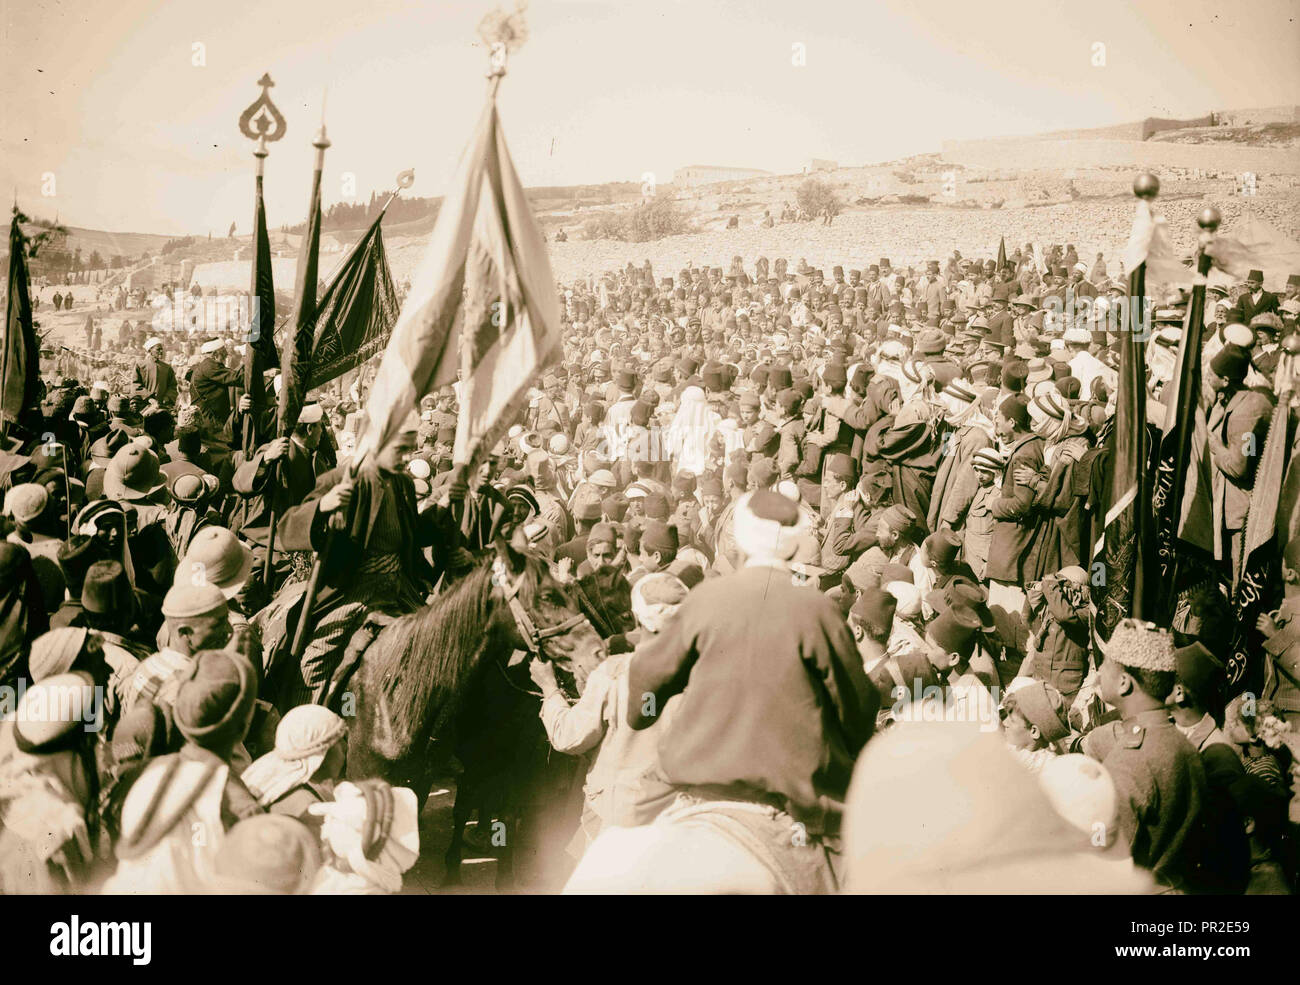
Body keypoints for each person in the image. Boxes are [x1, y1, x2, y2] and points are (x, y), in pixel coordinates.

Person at [1080, 619, 1207, 891]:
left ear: (1125, 683)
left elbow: (1108, 861)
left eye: (1105, 665)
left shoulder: (1128, 760)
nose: (1099, 672)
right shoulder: (1184, 744)